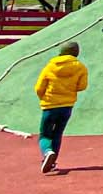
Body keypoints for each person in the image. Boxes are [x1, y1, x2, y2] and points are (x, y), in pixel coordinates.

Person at [33, 41, 89, 173]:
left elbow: (39, 87)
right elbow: (82, 86)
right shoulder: (80, 67)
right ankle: (52, 162)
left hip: (50, 105)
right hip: (67, 106)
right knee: (57, 134)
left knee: (45, 135)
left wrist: (43, 98)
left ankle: (47, 152)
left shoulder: (50, 66)